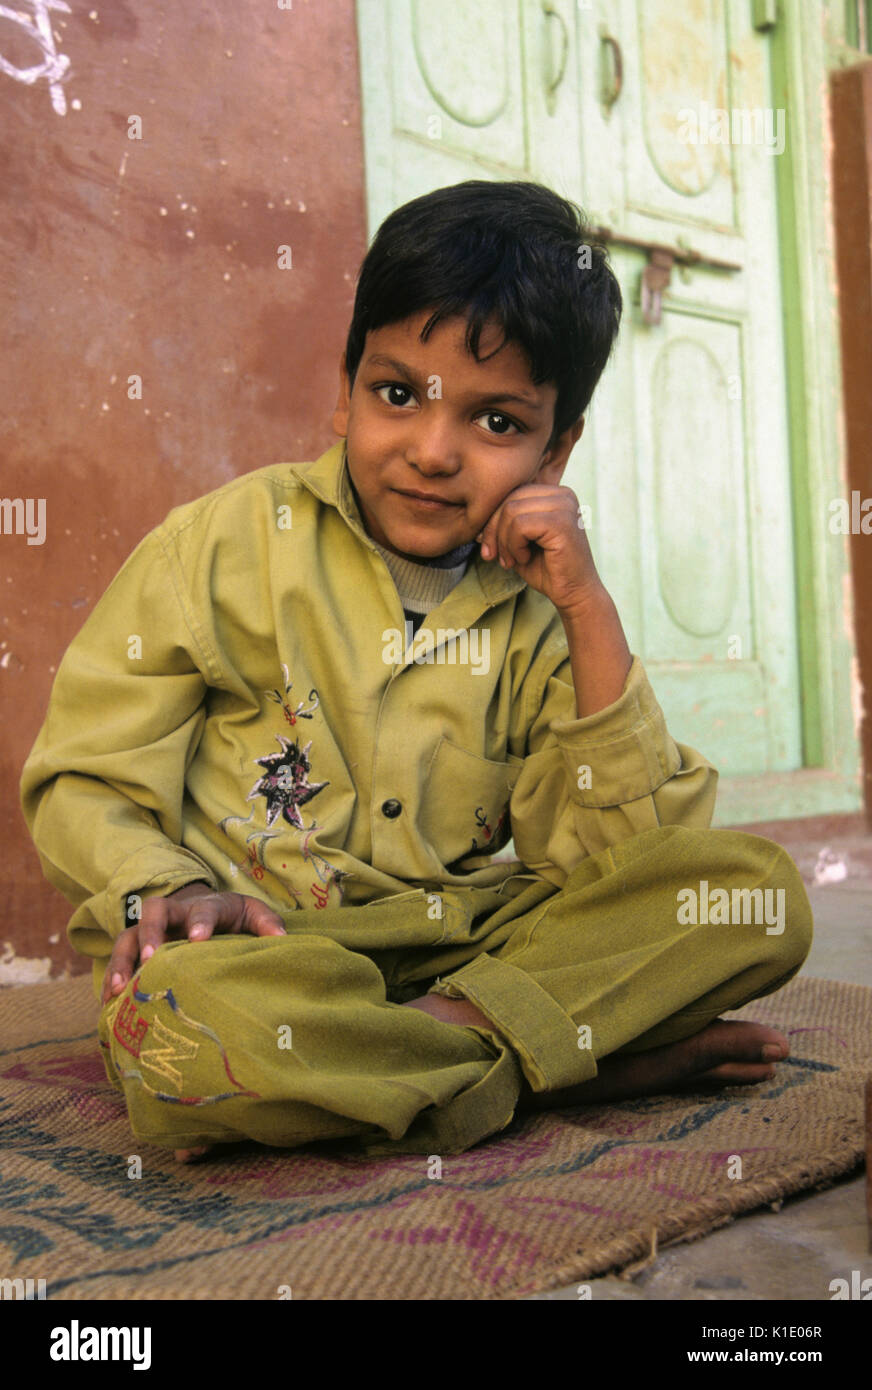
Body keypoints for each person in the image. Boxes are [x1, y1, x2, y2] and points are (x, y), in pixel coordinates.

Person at [19, 180, 813, 1163]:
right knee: (177, 1023)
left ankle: (419, 1054)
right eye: (397, 396)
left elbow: (617, 863)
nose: (433, 453)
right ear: (343, 385)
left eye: (495, 423)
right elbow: (83, 777)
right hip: (265, 949)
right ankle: (573, 1061)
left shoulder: (538, 612)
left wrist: (590, 611)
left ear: (554, 448)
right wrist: (165, 885)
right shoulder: (223, 543)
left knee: (753, 893)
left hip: (466, 947)